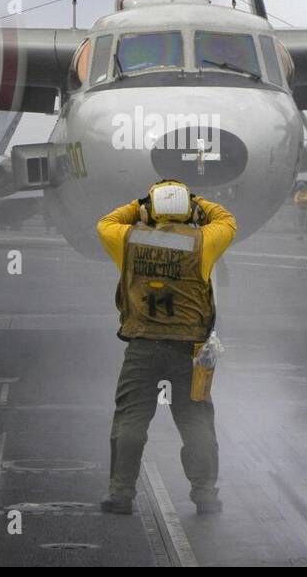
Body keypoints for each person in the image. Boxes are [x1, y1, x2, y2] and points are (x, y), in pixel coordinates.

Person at [95, 179, 237, 516]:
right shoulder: (204, 242)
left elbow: (106, 223)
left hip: (143, 344)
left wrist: (139, 203)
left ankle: (120, 494)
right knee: (196, 422)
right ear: (189, 211)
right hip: (191, 349)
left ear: (149, 211)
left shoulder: (128, 240)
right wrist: (198, 201)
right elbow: (227, 220)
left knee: (131, 420)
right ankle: (205, 495)